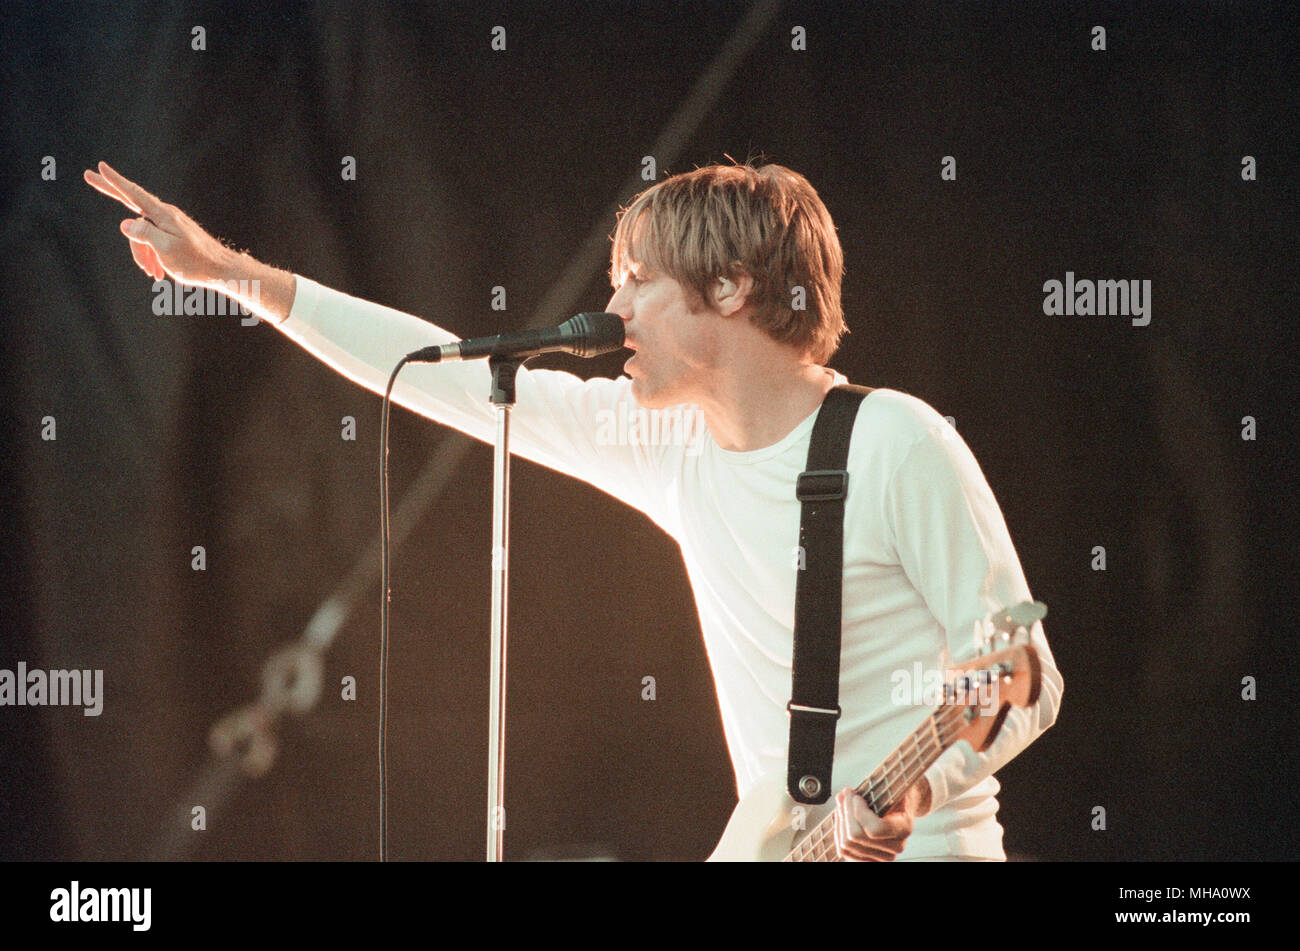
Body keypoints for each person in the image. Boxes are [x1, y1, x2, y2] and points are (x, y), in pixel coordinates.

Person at [85, 159, 1063, 861]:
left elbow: (1031, 684)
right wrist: (234, 276)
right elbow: (448, 378)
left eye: (640, 283)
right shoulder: (672, 447)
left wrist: (917, 794)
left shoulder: (897, 443)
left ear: (729, 288)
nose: (618, 313)